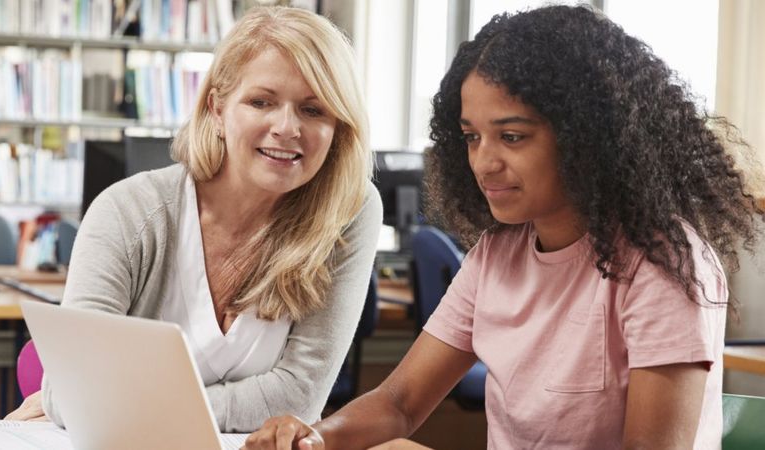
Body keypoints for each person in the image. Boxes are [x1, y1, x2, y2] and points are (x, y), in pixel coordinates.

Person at [242, 5, 765, 449]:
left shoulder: (661, 265)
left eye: (511, 137)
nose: (483, 163)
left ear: (587, 137)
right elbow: (400, 403)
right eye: (472, 137)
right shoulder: (498, 253)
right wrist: (315, 437)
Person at [5, 6, 382, 433]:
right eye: (261, 102)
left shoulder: (347, 209)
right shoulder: (127, 212)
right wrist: (85, 401)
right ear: (217, 109)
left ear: (338, 126)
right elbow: (71, 391)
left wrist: (123, 405)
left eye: (314, 110)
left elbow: (299, 396)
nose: (286, 127)